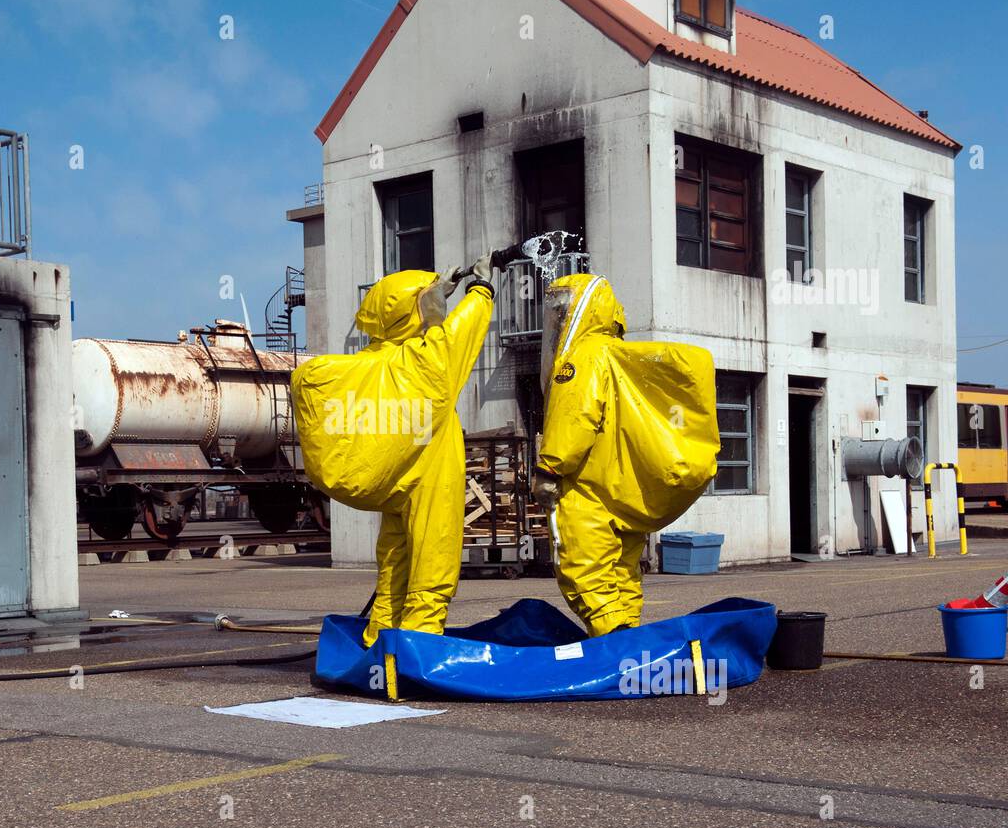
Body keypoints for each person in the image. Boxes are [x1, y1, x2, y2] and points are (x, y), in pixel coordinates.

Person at [292, 257, 493, 647]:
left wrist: (433, 296)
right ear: (418, 310)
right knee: (430, 571)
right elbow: (465, 329)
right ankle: (416, 654)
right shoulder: (427, 360)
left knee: (393, 570)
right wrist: (481, 288)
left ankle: (377, 646)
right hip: (431, 479)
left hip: (395, 486)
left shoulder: (370, 367)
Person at [531, 274, 719, 636]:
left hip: (588, 491)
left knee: (585, 573)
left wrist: (550, 469)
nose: (556, 316)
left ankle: (613, 641)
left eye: (560, 308)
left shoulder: (582, 356)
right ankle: (629, 638)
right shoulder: (618, 357)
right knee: (623, 573)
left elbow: (577, 416)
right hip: (625, 495)